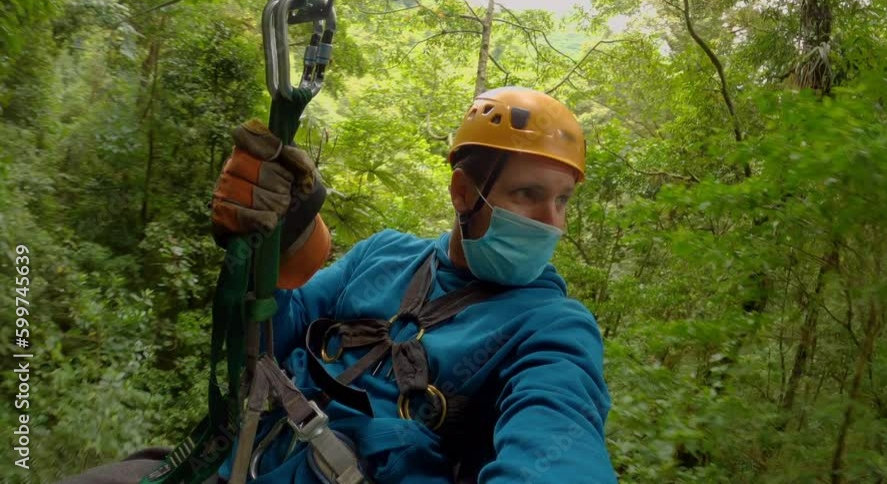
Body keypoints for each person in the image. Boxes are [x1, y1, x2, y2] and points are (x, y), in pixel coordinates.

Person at [62, 86, 616, 484]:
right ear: (463, 193)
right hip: (237, 458)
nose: (552, 222)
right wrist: (270, 255)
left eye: (562, 200)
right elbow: (271, 334)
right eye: (527, 195)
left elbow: (557, 433)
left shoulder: (553, 327)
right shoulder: (384, 253)